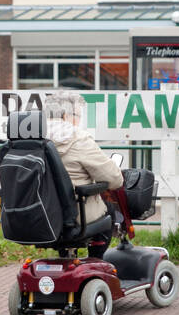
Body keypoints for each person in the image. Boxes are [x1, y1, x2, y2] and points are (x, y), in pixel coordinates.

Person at [43, 90, 124, 259]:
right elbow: (114, 179)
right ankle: (95, 260)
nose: (79, 122)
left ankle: (65, 256)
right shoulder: (78, 139)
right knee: (108, 211)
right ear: (66, 116)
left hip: (38, 214)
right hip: (72, 215)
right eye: (78, 116)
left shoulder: (31, 138)